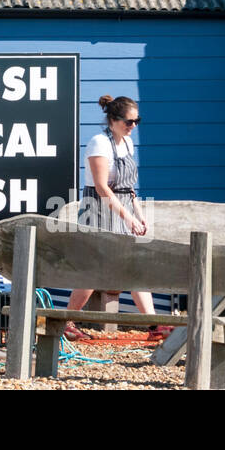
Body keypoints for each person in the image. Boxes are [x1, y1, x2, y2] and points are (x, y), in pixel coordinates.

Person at [63, 95, 169, 340]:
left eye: (136, 121)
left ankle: (154, 326)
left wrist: (139, 215)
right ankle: (66, 323)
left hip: (122, 208)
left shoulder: (128, 144)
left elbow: (129, 188)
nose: (133, 126)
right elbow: (102, 187)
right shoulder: (99, 143)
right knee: (92, 271)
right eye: (128, 121)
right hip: (98, 210)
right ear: (113, 120)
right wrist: (128, 218)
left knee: (134, 268)